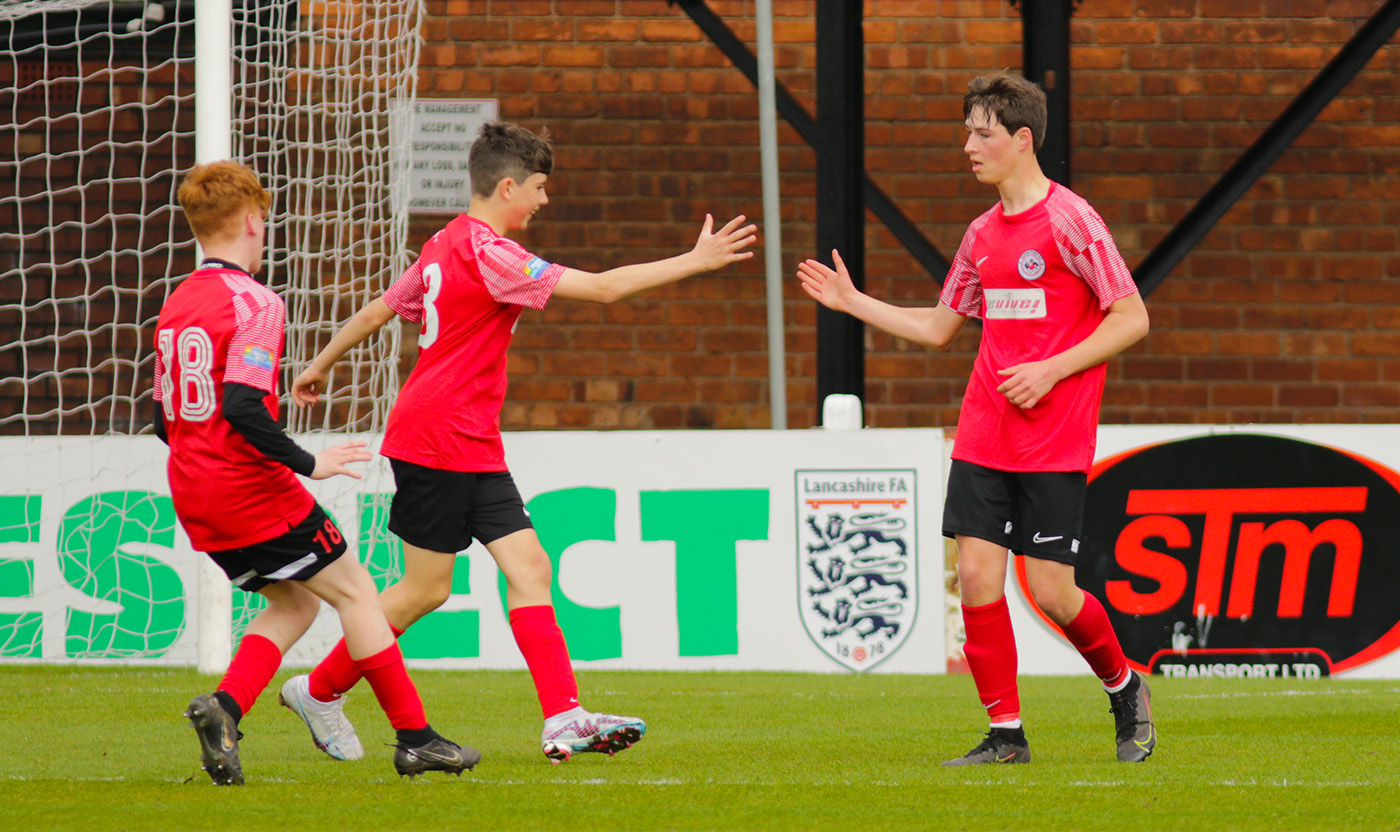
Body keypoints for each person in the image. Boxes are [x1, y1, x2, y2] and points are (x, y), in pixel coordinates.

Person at [280, 121, 757, 765]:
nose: (543, 200)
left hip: (469, 439)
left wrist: (320, 364)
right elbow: (605, 288)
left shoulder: (444, 242)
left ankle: (563, 718)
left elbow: (379, 310)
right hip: (437, 436)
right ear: (507, 186)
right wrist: (694, 261)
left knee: (531, 568)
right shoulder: (492, 253)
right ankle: (320, 689)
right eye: (538, 188)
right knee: (425, 590)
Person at [797, 73, 1156, 764]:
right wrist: (853, 301)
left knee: (1052, 590)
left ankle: (1122, 686)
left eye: (982, 133)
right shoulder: (981, 234)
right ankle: (1006, 736)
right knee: (979, 582)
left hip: (1053, 438)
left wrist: (1053, 368)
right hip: (985, 431)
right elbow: (939, 328)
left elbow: (1132, 317)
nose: (968, 146)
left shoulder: (1070, 221)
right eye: (967, 132)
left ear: (1022, 139)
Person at [155, 161, 479, 784]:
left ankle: (224, 709)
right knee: (358, 591)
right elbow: (244, 405)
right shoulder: (254, 302)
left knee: (295, 602)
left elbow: (160, 415)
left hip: (193, 489)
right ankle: (415, 738)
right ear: (252, 220)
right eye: (265, 220)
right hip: (248, 487)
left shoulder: (178, 303)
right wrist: (311, 462)